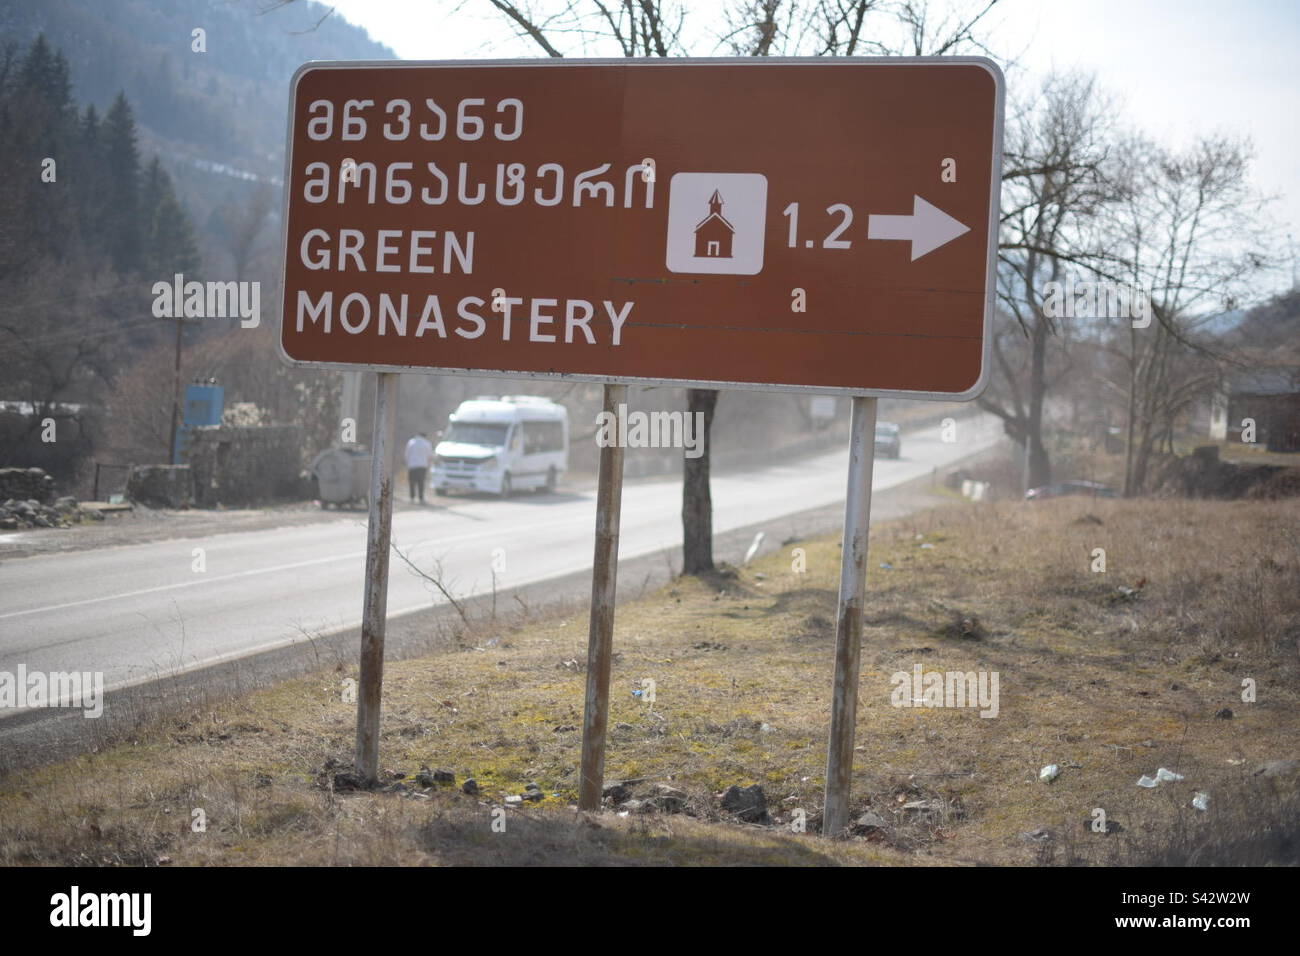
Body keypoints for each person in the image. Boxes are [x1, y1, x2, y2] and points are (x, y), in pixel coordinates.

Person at [405, 431, 433, 502]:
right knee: (421, 482)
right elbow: (429, 455)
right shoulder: (427, 443)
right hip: (422, 466)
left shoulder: (411, 442)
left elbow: (407, 454)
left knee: (412, 482)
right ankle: (421, 497)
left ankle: (412, 497)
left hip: (412, 465)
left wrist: (407, 462)